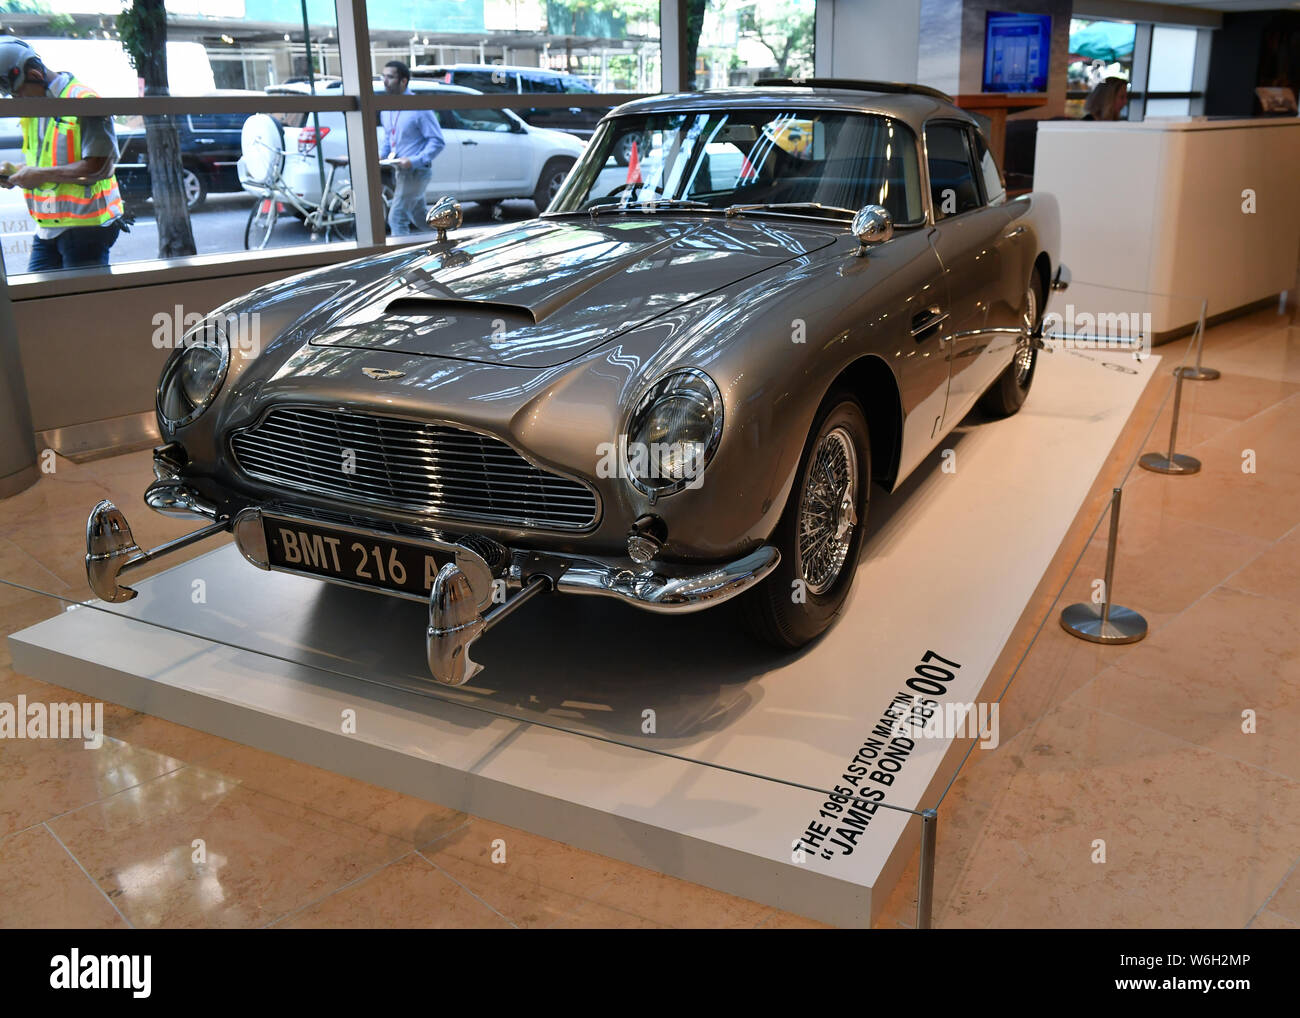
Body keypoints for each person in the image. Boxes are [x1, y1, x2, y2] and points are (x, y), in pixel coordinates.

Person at [0, 37, 126, 271]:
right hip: (48, 226)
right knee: (37, 303)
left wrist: (40, 175)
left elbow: (101, 166)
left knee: (81, 305)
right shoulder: (36, 106)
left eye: (18, 93)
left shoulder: (82, 100)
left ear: (35, 75)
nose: (17, 100)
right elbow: (50, 161)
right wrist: (18, 174)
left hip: (86, 228)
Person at [378, 60, 445, 236]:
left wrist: (415, 160)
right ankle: (448, 243)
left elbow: (437, 141)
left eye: (390, 77)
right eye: (383, 76)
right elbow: (389, 137)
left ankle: (402, 261)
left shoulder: (418, 107)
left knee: (397, 218)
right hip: (399, 171)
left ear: (403, 81)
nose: (385, 81)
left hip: (416, 172)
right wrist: (382, 155)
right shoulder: (386, 109)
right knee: (420, 216)